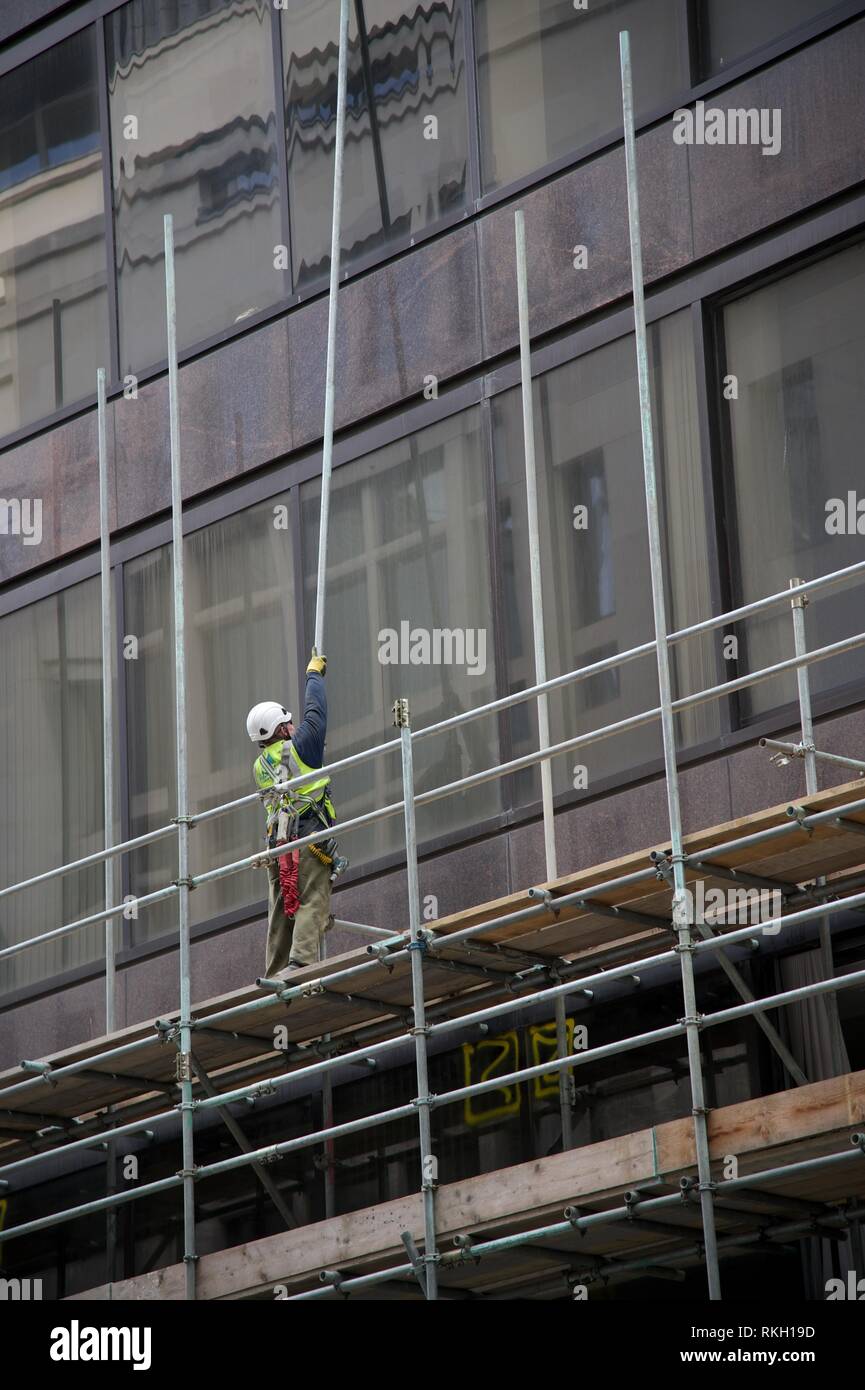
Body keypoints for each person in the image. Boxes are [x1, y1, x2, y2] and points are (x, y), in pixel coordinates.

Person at [245, 651, 336, 975]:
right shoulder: (300, 745)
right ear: (282, 729)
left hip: (278, 842)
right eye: (289, 723)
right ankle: (299, 965)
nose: (295, 726)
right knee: (312, 897)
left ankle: (275, 971)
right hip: (308, 834)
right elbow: (317, 714)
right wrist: (314, 675)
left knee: (283, 907)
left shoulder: (260, 764)